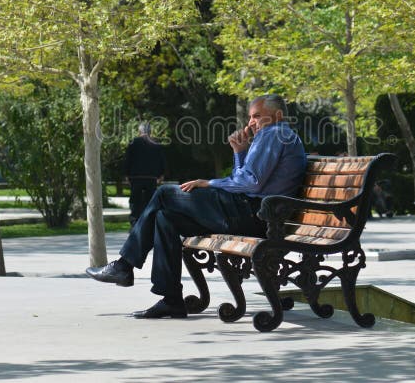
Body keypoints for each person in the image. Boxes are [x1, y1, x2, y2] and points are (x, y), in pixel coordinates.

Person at [86, 94, 307, 319]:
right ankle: (171, 300)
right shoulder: (277, 136)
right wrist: (240, 153)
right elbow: (246, 180)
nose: (251, 122)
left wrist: (208, 183)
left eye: (257, 116)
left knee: (164, 193)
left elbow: (250, 182)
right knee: (165, 218)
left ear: (277, 116)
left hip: (254, 213)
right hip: (253, 212)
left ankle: (124, 265)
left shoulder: (275, 133)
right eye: (250, 117)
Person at [123, 122, 166, 226]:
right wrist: (161, 174)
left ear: (139, 131)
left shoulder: (133, 142)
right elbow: (162, 160)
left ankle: (134, 223)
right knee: (150, 201)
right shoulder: (156, 144)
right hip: (151, 177)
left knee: (135, 201)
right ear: (150, 132)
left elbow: (128, 159)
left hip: (136, 177)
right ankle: (149, 222)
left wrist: (126, 174)